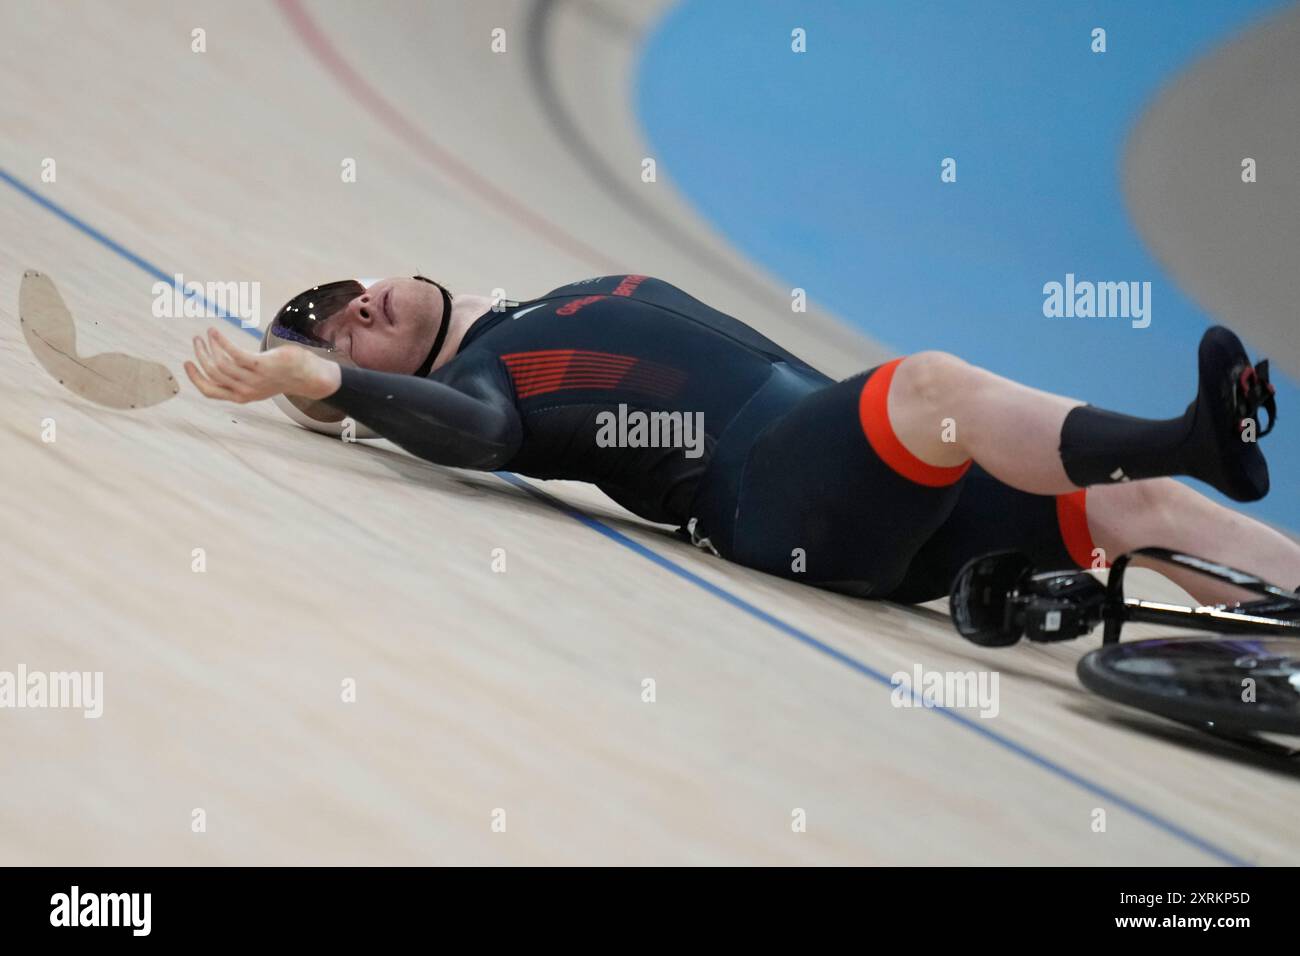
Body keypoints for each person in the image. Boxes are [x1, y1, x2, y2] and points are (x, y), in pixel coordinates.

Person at [184, 273, 1295, 605]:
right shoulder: (481, 379)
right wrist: (322, 382)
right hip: (780, 497)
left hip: (883, 485)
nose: (349, 316)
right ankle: (1186, 432)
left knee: (1147, 516)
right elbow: (475, 437)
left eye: (335, 298)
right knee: (932, 384)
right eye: (333, 337)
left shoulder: (539, 310)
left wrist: (325, 371)